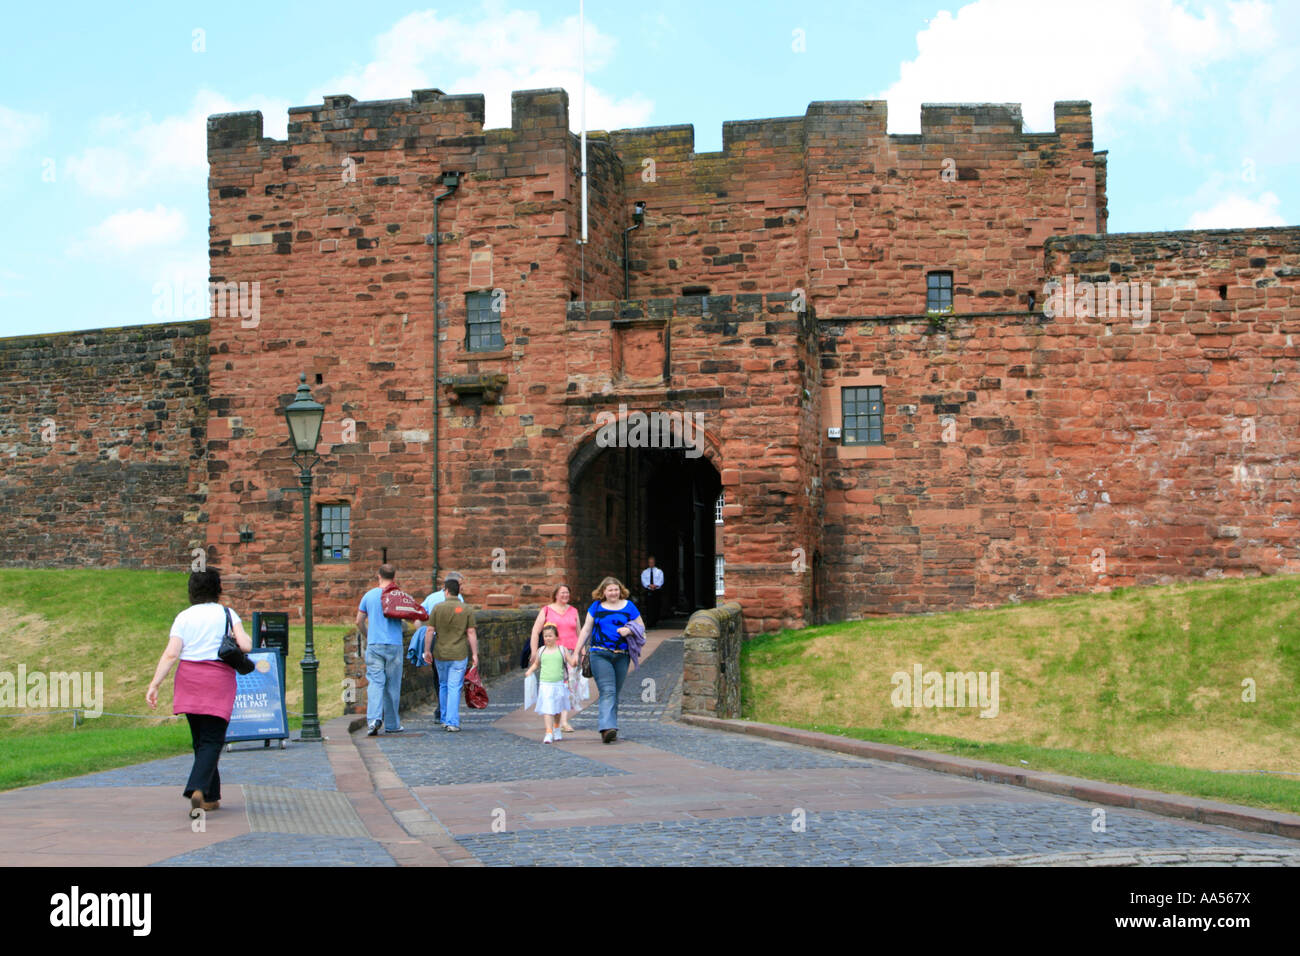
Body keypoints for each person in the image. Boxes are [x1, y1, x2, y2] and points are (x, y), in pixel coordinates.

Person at [146, 568, 252, 817]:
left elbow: (172, 653)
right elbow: (246, 645)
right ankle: (196, 788)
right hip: (217, 680)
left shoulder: (183, 617)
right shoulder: (227, 613)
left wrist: (155, 684)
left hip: (189, 679)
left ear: (191, 591)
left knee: (201, 741)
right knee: (213, 741)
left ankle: (210, 796)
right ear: (218, 589)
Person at [574, 576, 644, 744]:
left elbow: (641, 627)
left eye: (616, 589)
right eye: (610, 590)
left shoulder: (629, 606)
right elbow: (585, 630)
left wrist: (628, 630)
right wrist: (577, 651)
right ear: (603, 592)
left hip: (622, 655)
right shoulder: (596, 607)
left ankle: (610, 726)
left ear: (620, 591)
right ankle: (607, 729)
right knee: (608, 691)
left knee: (615, 692)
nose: (613, 592)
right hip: (600, 653)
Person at [356, 563, 407, 736]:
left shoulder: (369, 596)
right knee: (393, 684)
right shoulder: (398, 595)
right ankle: (392, 724)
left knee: (376, 682)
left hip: (375, 643)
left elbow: (359, 621)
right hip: (394, 644)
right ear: (394, 577)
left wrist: (368, 635)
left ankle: (373, 720)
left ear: (378, 576)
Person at [423, 577, 479, 731]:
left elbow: (429, 630)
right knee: (454, 686)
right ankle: (452, 722)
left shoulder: (437, 608)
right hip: (459, 653)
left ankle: (443, 717)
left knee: (443, 685)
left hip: (440, 652)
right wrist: (475, 653)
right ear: (458, 591)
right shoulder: (466, 609)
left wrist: (427, 650)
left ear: (446, 591)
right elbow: (471, 632)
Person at [529, 584, 580, 733]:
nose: (565, 595)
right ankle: (555, 718)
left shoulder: (574, 611)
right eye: (562, 593)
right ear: (556, 595)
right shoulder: (546, 610)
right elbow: (535, 632)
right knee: (557, 686)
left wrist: (581, 652)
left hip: (570, 651)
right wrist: (534, 651)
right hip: (553, 653)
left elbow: (579, 633)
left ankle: (564, 720)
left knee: (569, 685)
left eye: (567, 593)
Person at [525, 623, 576, 743]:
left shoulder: (562, 650)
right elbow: (537, 664)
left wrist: (576, 661)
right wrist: (529, 671)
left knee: (557, 709)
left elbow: (571, 662)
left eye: (550, 636)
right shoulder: (541, 650)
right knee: (547, 709)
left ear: (556, 637)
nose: (547, 638)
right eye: (545, 636)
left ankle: (557, 728)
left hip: (559, 684)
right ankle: (548, 732)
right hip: (545, 684)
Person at [639, 555, 664, 627]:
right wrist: (649, 585)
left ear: (654, 563)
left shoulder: (659, 571)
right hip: (649, 591)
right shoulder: (645, 572)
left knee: (657, 606)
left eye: (652, 562)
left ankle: (655, 621)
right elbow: (644, 581)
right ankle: (650, 622)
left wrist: (655, 585)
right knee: (649, 606)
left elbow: (661, 581)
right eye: (650, 562)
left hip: (657, 591)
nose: (651, 564)